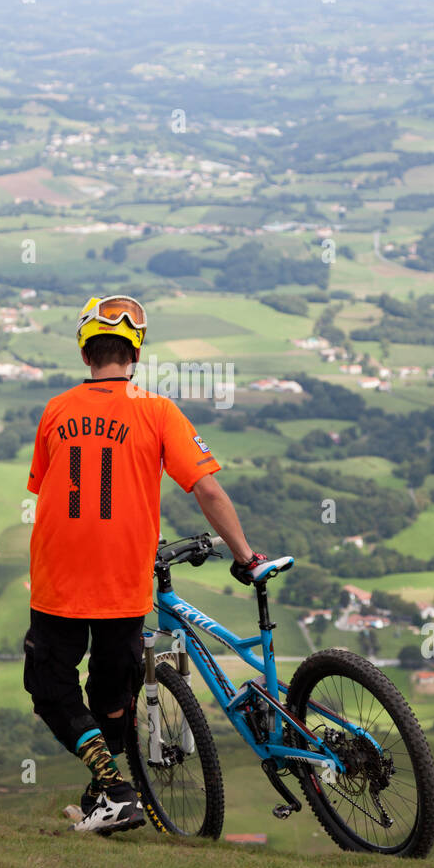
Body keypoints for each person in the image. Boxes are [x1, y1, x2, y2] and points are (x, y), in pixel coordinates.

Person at [23, 294, 262, 833]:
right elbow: (207, 489)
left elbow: (43, 487)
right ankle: (109, 794)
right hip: (123, 582)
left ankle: (111, 792)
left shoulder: (56, 410)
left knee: (50, 688)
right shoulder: (157, 409)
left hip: (58, 578)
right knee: (112, 698)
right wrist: (245, 556)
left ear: (86, 356)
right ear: (136, 355)